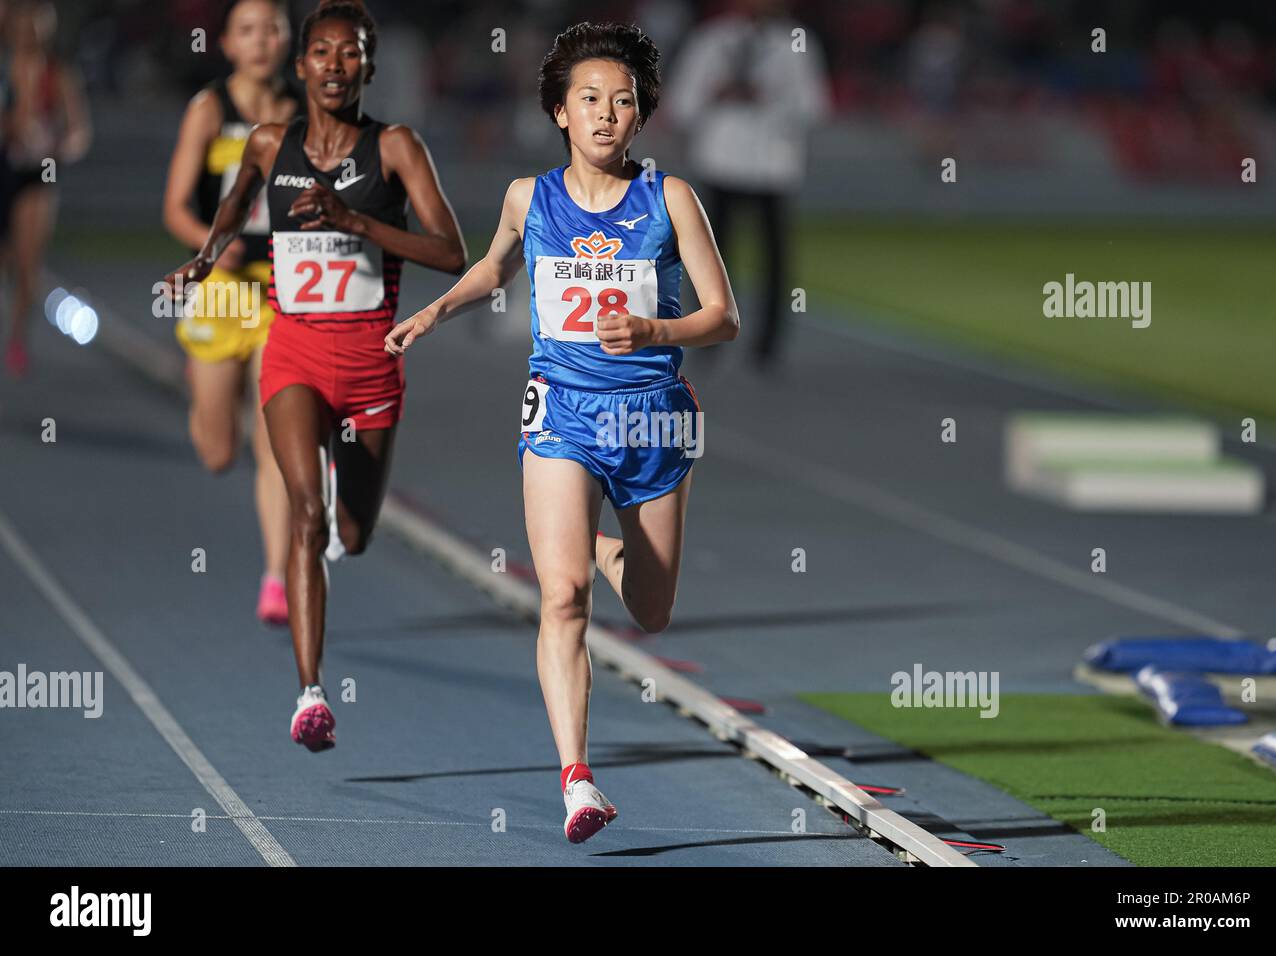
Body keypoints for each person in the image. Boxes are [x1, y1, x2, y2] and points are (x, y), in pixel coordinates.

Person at [386, 21, 739, 842]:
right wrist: (434, 310)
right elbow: (496, 265)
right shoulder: (526, 196)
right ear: (559, 112)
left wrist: (656, 333)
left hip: (651, 417)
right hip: (565, 411)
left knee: (650, 611)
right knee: (562, 596)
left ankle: (599, 548)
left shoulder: (671, 199)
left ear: (641, 116)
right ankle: (579, 780)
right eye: (590, 100)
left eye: (623, 102)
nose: (607, 115)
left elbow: (723, 317)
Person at [162, 0, 466, 752]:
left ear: (368, 65)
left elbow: (452, 252)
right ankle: (310, 695)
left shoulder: (395, 146)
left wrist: (356, 221)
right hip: (292, 352)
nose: (335, 65)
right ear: (301, 67)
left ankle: (339, 508)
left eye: (351, 53)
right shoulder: (270, 142)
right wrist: (205, 257)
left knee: (354, 534)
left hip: (370, 368)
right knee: (307, 514)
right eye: (321, 53)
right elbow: (234, 200)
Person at [161, 0, 300, 626]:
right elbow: (175, 210)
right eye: (249, 29)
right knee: (218, 451)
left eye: (273, 27)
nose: (263, 40)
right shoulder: (209, 109)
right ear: (226, 42)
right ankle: (210, 393)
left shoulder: (305, 111)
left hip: (282, 292)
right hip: (221, 292)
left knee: (275, 441)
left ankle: (276, 579)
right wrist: (212, 246)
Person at [664, 0, 828, 367]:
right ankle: (710, 335)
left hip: (772, 162)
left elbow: (813, 107)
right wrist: (717, 94)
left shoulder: (797, 44)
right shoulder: (711, 41)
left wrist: (769, 97)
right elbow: (682, 104)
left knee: (774, 257)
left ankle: (768, 346)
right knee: (710, 255)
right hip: (721, 159)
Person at [1, 0, 90, 377]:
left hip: (38, 174)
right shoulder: (5, 70)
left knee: (28, 261)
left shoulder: (60, 74)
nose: (31, 35)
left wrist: (59, 147)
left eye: (39, 28)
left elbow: (79, 131)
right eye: (25, 27)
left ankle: (18, 335)